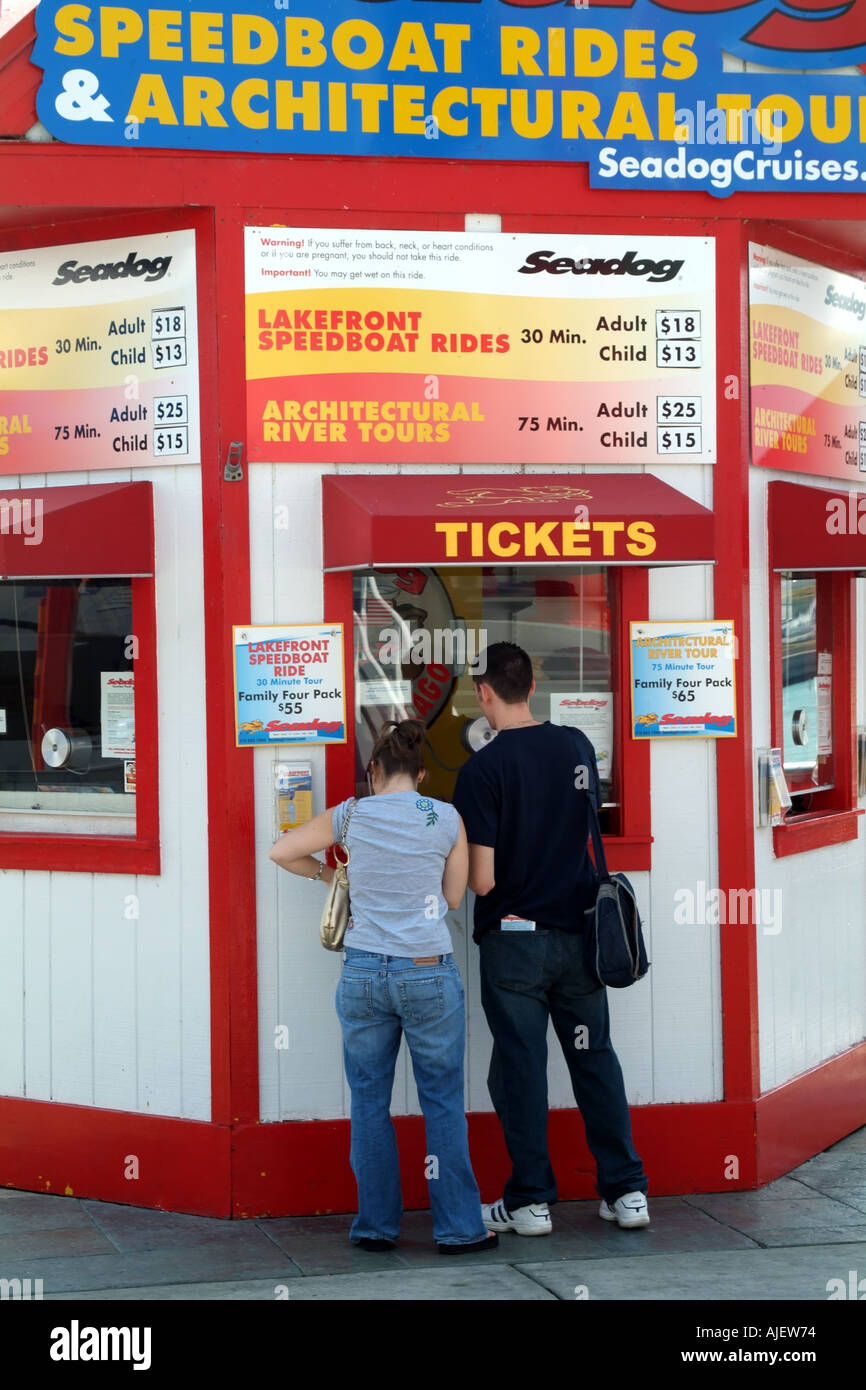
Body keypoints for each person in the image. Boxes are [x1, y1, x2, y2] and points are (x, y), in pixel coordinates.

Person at [269, 718, 497, 1255]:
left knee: (369, 1101)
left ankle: (375, 1227)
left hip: (365, 971)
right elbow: (457, 897)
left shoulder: (350, 814)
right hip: (427, 971)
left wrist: (333, 877)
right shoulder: (443, 816)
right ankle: (460, 1229)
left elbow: (282, 851)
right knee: (442, 1101)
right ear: (420, 773)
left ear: (373, 771)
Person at [453, 641, 649, 1235]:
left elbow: (482, 880)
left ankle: (532, 1200)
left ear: (485, 692)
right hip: (580, 941)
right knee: (595, 1061)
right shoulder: (577, 746)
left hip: (516, 945)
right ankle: (628, 1192)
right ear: (530, 686)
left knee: (521, 1068)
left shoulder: (481, 771)